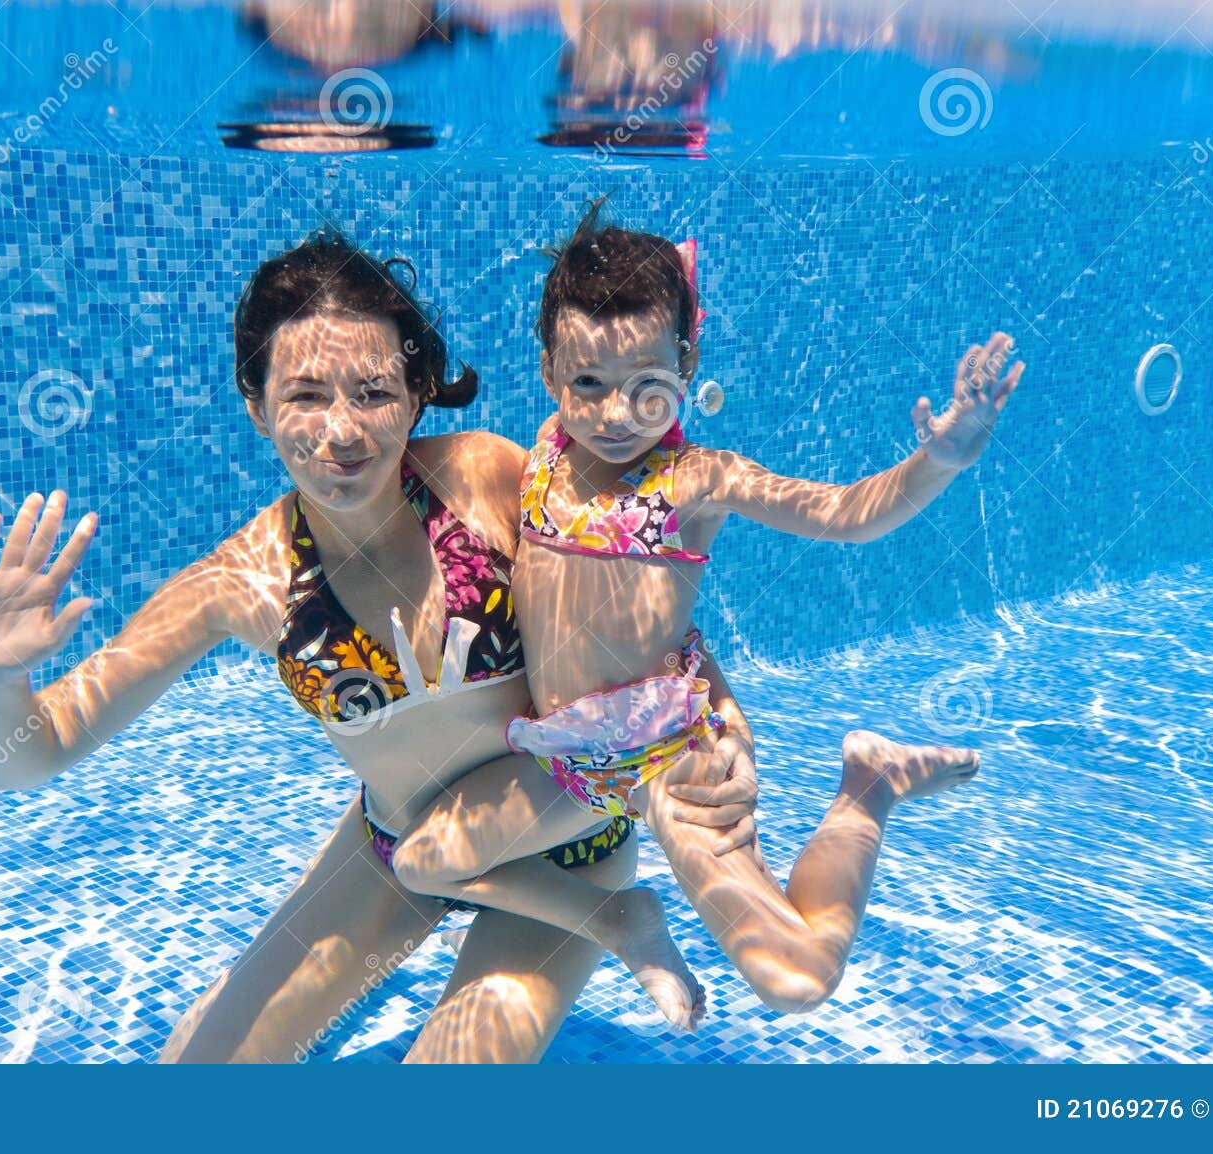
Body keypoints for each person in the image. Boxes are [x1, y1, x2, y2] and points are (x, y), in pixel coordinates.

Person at [0, 232, 759, 1063]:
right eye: (304, 394)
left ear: (416, 396)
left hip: (568, 851)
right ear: (257, 405)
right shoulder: (245, 581)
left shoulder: (482, 483)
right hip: (395, 849)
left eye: (374, 391)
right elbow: (27, 757)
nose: (341, 432)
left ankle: (615, 919)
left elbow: (642, 614)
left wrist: (723, 724)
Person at [386, 202, 1024, 1027]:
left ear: (686, 362)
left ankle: (870, 787)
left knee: (796, 980)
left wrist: (942, 455)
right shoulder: (540, 458)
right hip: (565, 761)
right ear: (548, 372)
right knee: (420, 861)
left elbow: (845, 513)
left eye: (646, 385)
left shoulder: (697, 480)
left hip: (665, 766)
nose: (616, 415)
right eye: (589, 384)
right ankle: (623, 919)